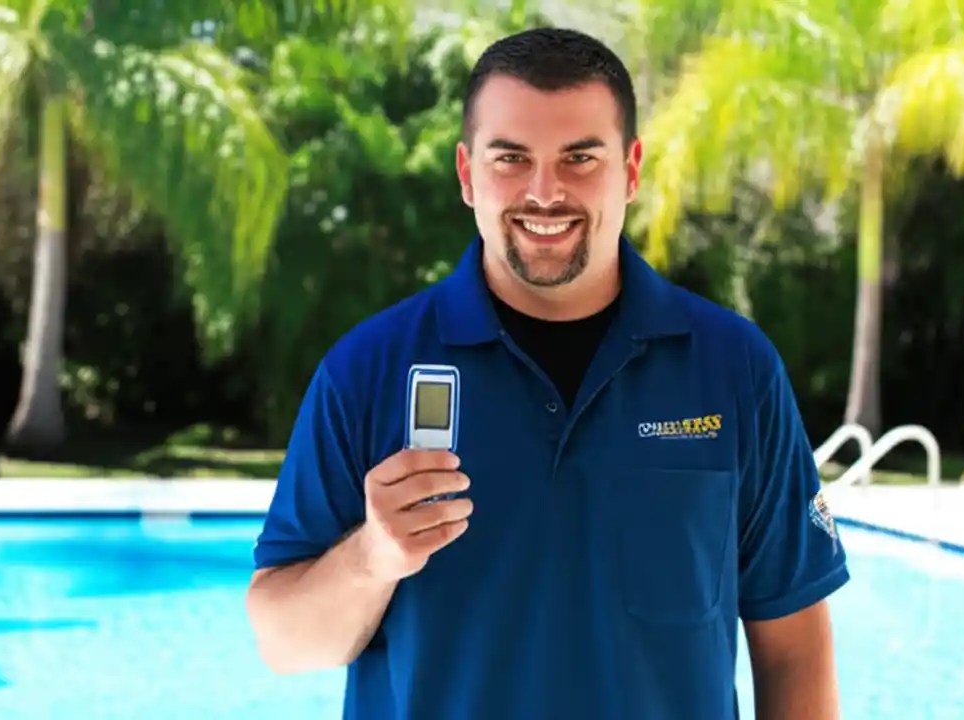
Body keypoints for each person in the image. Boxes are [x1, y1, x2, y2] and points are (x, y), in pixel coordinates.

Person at [246, 27, 849, 720]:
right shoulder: (368, 370)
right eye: (511, 158)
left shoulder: (734, 369)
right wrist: (373, 557)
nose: (544, 192)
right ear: (467, 174)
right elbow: (284, 644)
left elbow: (794, 648)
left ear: (631, 169)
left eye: (579, 158)